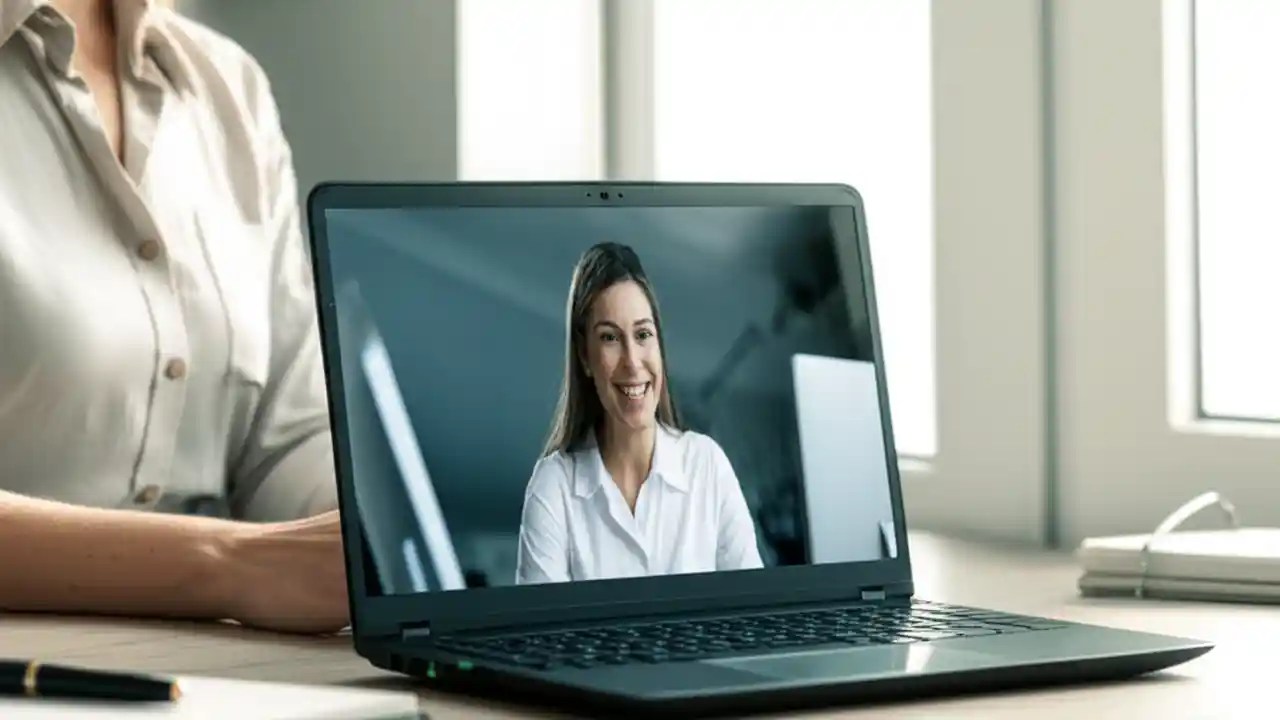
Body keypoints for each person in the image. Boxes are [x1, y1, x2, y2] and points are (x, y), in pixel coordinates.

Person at [0, 0, 346, 633]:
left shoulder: (227, 85)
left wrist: (392, 543)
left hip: (229, 669)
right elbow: (261, 564)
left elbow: (286, 436)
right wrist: (236, 564)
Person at [516, 242, 763, 584]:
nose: (632, 361)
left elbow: (752, 609)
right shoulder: (553, 487)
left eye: (643, 334)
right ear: (585, 357)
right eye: (610, 338)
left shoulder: (706, 463)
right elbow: (538, 636)